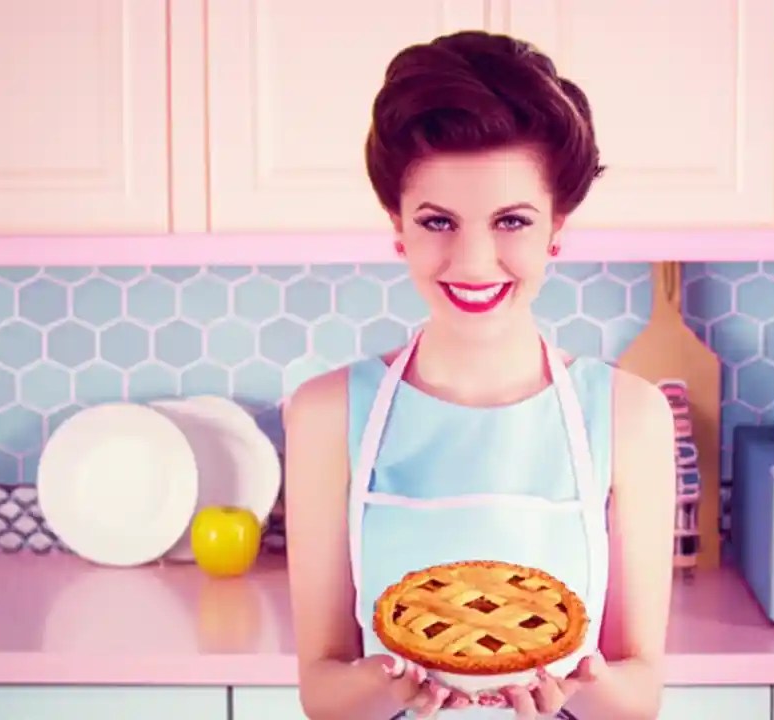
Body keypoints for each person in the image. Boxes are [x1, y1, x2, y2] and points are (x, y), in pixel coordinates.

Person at [284, 30, 676, 720]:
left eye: (512, 221)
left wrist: (578, 683)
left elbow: (639, 694)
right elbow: (322, 691)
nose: (473, 261)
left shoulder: (629, 415)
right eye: (438, 221)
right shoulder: (326, 413)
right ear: (397, 226)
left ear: (557, 227)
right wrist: (387, 682)